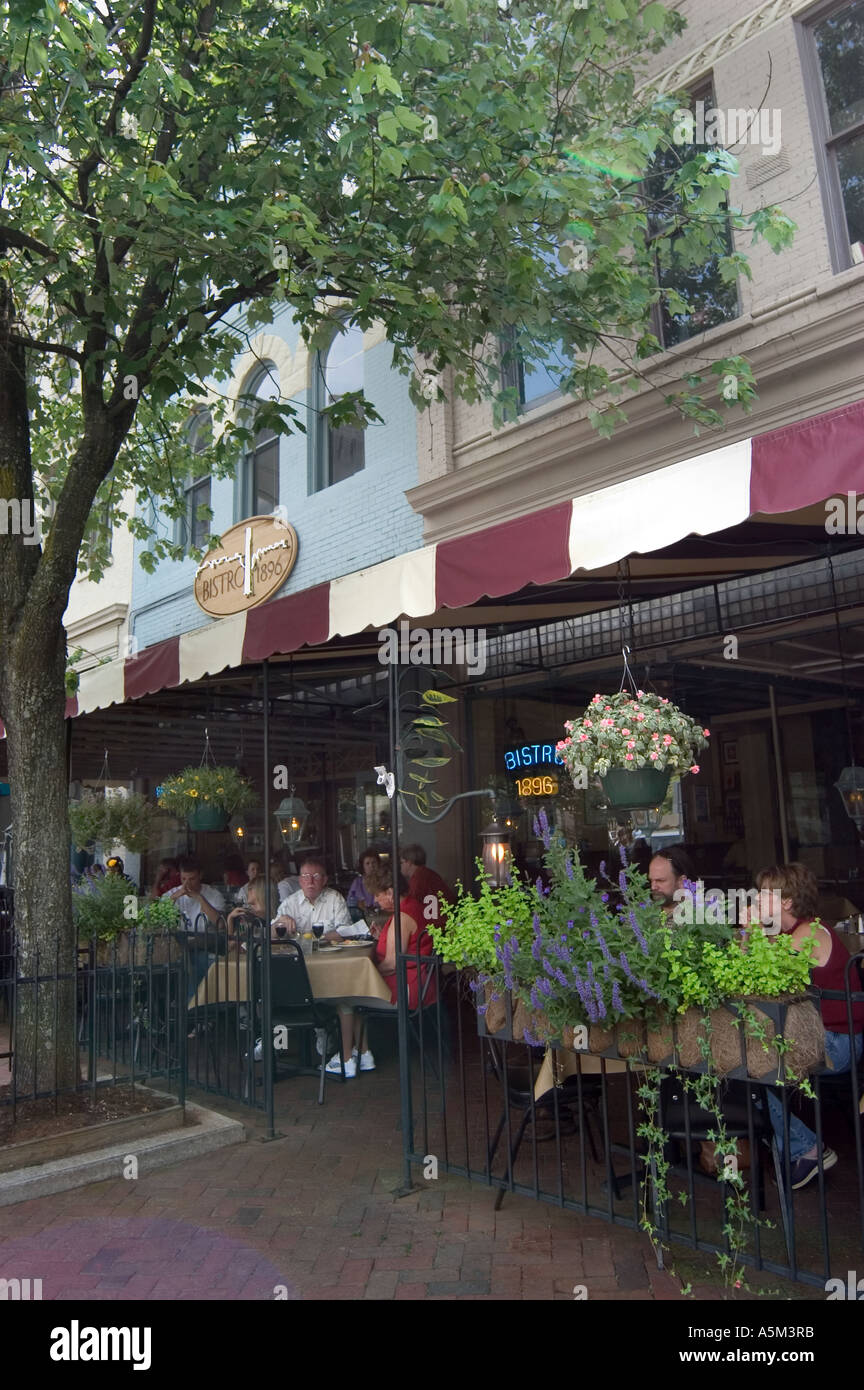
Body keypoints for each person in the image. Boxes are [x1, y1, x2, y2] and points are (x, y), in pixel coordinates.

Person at [748, 862, 864, 1189]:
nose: (756, 899)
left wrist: (752, 931)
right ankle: (797, 1148)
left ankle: (805, 1149)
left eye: (763, 894)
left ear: (785, 901)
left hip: (838, 1044)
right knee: (751, 1061)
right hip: (819, 1037)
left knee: (755, 1068)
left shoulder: (808, 934)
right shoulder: (787, 934)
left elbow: (761, 979)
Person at [271, 857, 359, 942]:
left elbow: (346, 933)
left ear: (324, 880)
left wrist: (314, 939)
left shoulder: (335, 899)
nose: (310, 881)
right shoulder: (289, 903)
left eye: (316, 876)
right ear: (300, 881)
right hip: (298, 955)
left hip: (330, 955)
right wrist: (278, 924)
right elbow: (270, 936)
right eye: (306, 876)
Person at [399, 844, 454, 926]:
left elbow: (411, 908)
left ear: (409, 862)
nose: (400, 866)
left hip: (436, 926)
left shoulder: (418, 878)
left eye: (401, 862)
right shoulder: (427, 874)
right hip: (442, 921)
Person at [162, 857, 225, 929]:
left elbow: (220, 924)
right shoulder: (172, 893)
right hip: (178, 938)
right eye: (183, 879)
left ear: (200, 876)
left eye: (192, 879)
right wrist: (173, 898)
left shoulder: (214, 895)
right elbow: (156, 921)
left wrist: (200, 898)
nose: (187, 883)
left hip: (205, 939)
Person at [648, 845, 698, 920]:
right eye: (651, 880)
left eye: (660, 881)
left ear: (682, 882)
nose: (653, 887)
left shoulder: (701, 918)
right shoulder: (643, 915)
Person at [346, 850, 380, 916]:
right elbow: (350, 903)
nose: (371, 866)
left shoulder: (384, 881)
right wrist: (358, 903)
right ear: (363, 866)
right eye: (367, 863)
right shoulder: (357, 882)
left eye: (374, 862)